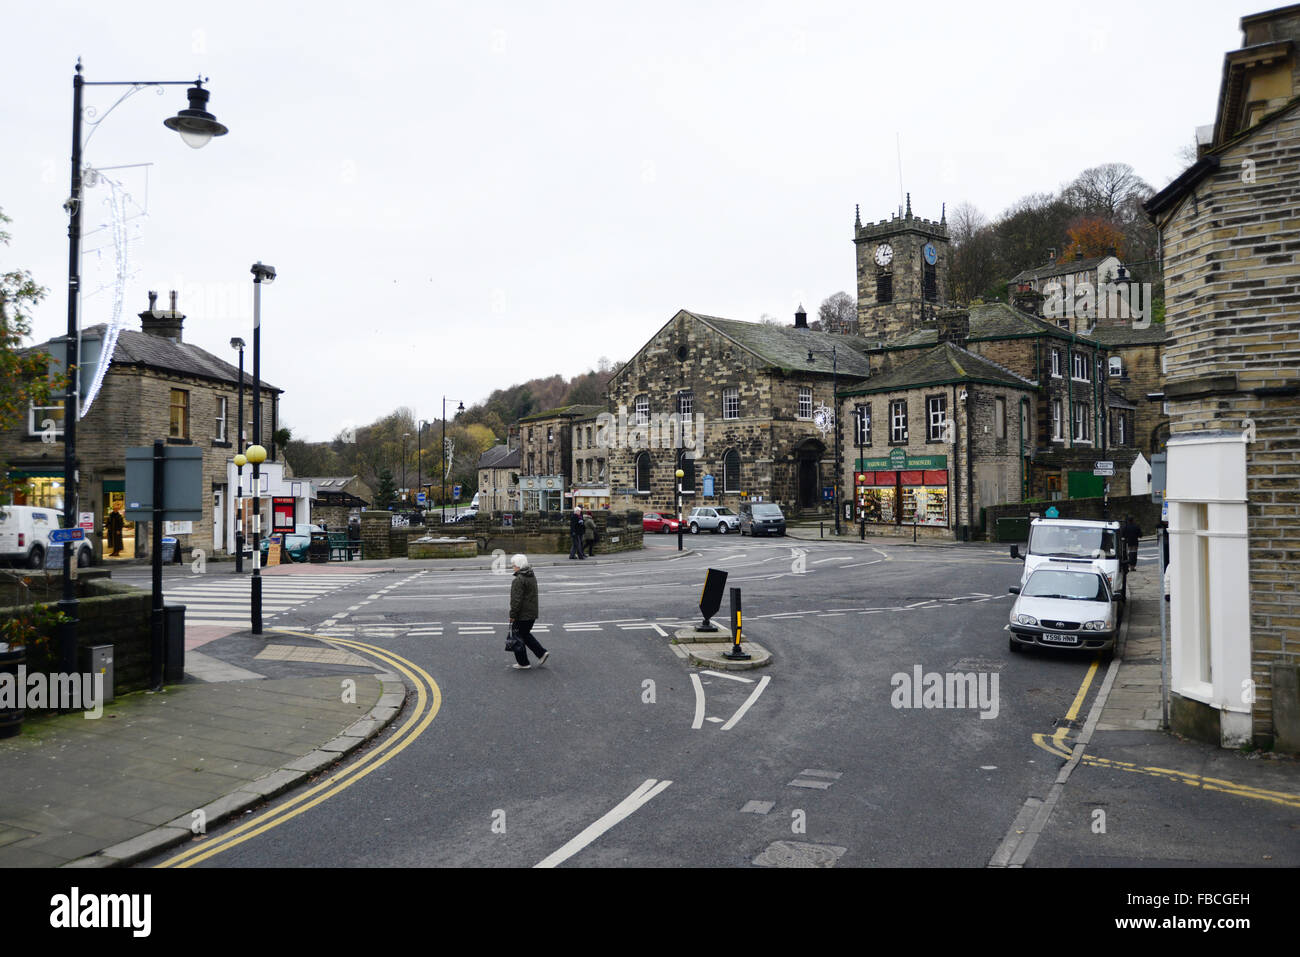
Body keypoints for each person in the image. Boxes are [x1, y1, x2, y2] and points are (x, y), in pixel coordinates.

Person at [509, 553, 549, 669]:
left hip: (522, 614)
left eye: (513, 565)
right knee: (524, 634)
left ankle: (523, 663)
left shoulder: (519, 580)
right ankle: (541, 653)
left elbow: (516, 600)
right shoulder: (531, 575)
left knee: (517, 636)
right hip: (532, 613)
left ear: (518, 565)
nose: (513, 567)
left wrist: (512, 615)